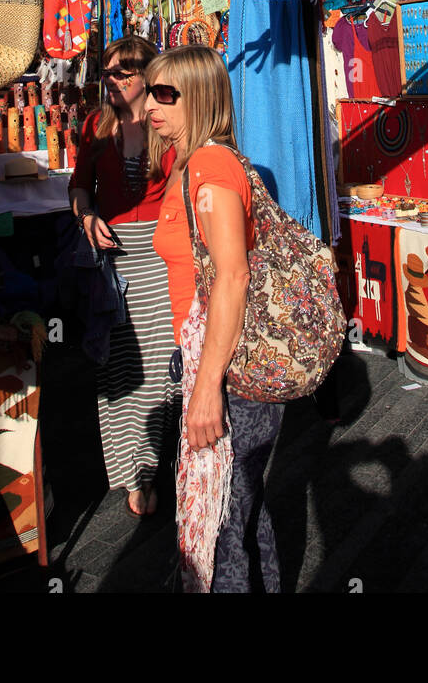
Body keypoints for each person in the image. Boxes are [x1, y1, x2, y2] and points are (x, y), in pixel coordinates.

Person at [144, 44, 284, 594]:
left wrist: (205, 389)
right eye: (149, 90)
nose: (151, 104)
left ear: (197, 97)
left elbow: (233, 276)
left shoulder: (210, 165)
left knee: (220, 522)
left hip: (226, 372)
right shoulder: (187, 163)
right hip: (216, 363)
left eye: (165, 93)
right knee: (242, 513)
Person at [69, 35, 179, 517]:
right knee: (118, 369)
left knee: (157, 372)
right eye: (106, 73)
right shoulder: (96, 125)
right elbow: (79, 187)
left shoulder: (166, 124)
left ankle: (149, 470)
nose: (110, 80)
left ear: (144, 76)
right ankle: (126, 467)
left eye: (121, 73)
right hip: (111, 262)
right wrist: (85, 217)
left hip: (159, 258)